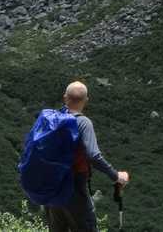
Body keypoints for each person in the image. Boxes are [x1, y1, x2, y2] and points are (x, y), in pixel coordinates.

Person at [45, 81, 130, 232]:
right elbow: (93, 155)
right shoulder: (83, 123)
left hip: (52, 188)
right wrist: (116, 175)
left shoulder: (52, 120)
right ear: (86, 100)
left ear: (65, 98)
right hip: (74, 188)